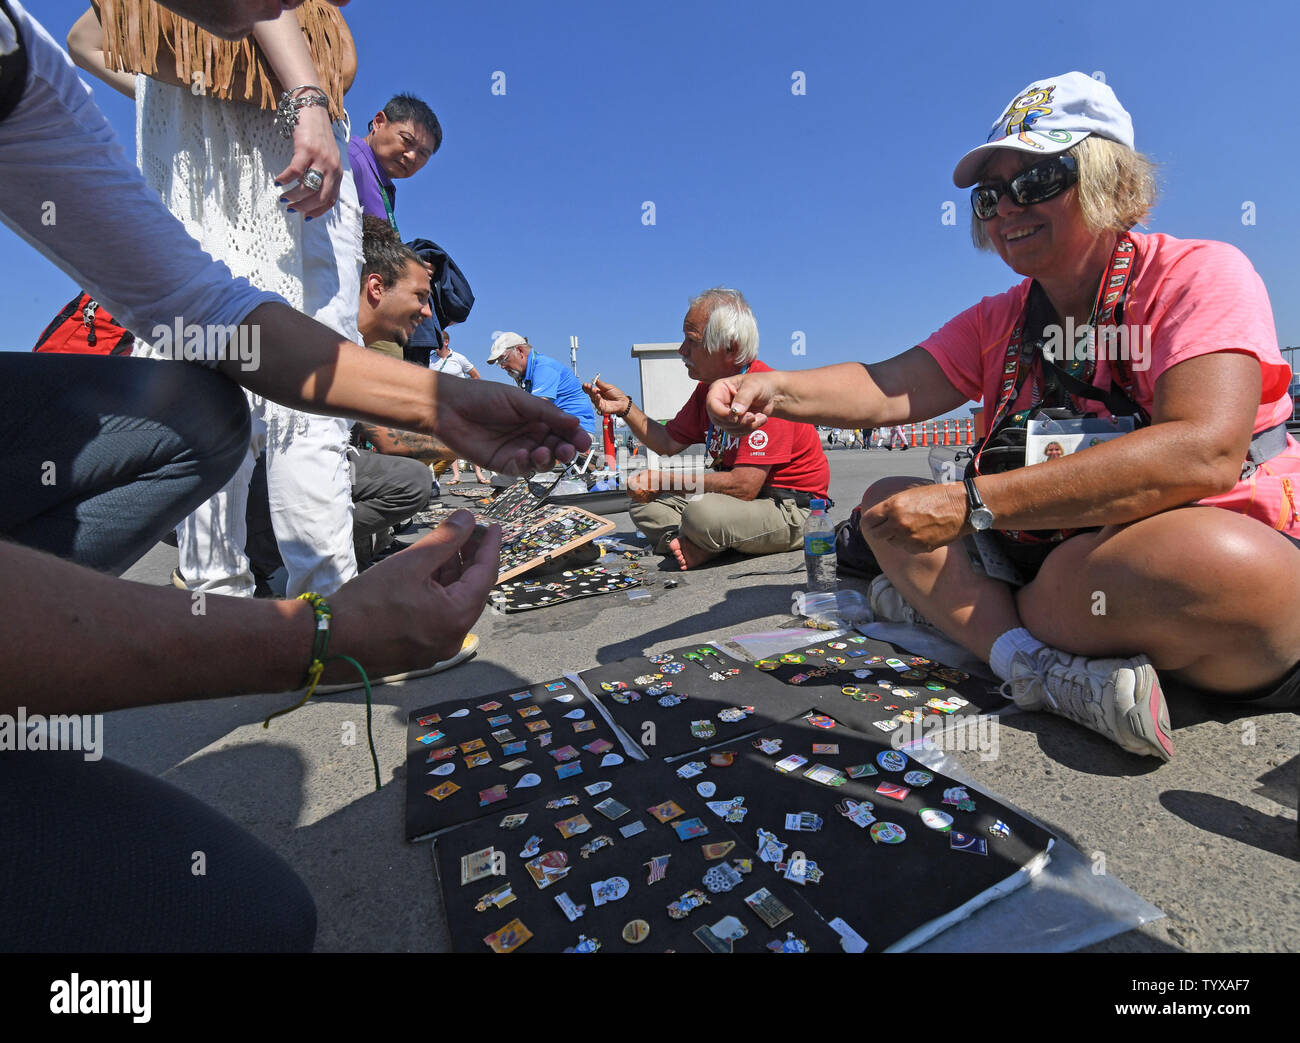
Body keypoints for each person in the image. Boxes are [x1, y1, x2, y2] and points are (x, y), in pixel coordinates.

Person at [0, 0, 587, 952]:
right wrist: (319, 637)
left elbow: (201, 304)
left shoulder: (24, 63)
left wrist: (437, 405)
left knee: (194, 403)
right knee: (242, 922)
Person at [708, 72, 1300, 760]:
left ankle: (992, 626)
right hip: (1048, 560)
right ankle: (1035, 665)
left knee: (1195, 561)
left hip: (1171, 570)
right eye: (989, 195)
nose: (1006, 208)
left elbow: (1204, 451)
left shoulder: (1200, 273)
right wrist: (775, 389)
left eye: (1040, 179)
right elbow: (889, 384)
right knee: (885, 508)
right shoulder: (1002, 317)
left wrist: (972, 504)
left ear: (1116, 180)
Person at [70, 0, 370, 600]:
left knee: (200, 392)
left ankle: (216, 595)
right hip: (287, 212)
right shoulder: (316, 38)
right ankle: (329, 607)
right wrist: (308, 101)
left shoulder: (181, 27)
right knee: (310, 401)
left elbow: (84, 40)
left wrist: (167, 95)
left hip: (194, 211)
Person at [585, 288, 829, 571]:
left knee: (700, 514)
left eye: (692, 341)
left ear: (731, 348)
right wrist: (626, 408)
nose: (682, 351)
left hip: (790, 509)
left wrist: (664, 481)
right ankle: (700, 544)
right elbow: (666, 442)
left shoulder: (762, 391)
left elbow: (744, 486)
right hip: (739, 505)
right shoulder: (706, 391)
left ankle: (702, 542)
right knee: (644, 505)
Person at [348, 91, 440, 233]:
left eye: (423, 153)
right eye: (407, 140)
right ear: (379, 122)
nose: (412, 156)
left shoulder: (380, 181)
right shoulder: (349, 162)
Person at [490, 332, 599, 437]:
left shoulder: (543, 368)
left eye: (503, 359)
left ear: (520, 350)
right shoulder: (530, 373)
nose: (502, 366)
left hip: (578, 429)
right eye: (499, 363)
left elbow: (536, 409)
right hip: (564, 427)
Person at [433, 331, 490, 485]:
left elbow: (476, 376)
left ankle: (479, 473)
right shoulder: (430, 360)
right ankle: (456, 475)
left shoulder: (459, 358)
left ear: (446, 342)